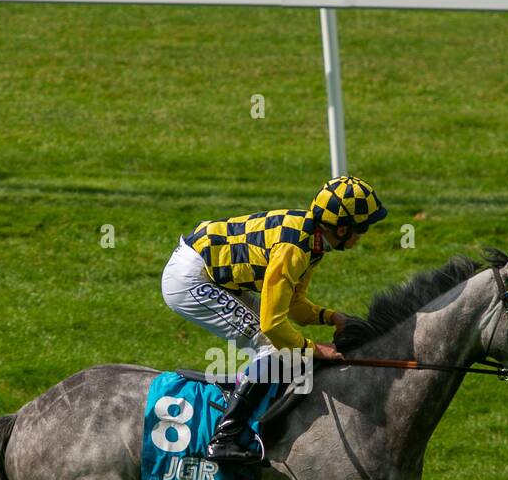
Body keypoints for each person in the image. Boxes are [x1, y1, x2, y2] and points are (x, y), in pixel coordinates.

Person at [160, 175, 387, 463]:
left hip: (211, 274)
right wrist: (314, 349)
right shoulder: (295, 248)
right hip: (190, 280)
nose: (362, 236)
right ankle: (225, 437)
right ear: (341, 229)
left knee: (281, 347)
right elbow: (273, 325)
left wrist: (332, 317)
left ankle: (257, 406)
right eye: (362, 229)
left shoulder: (312, 240)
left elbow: (292, 306)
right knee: (270, 346)